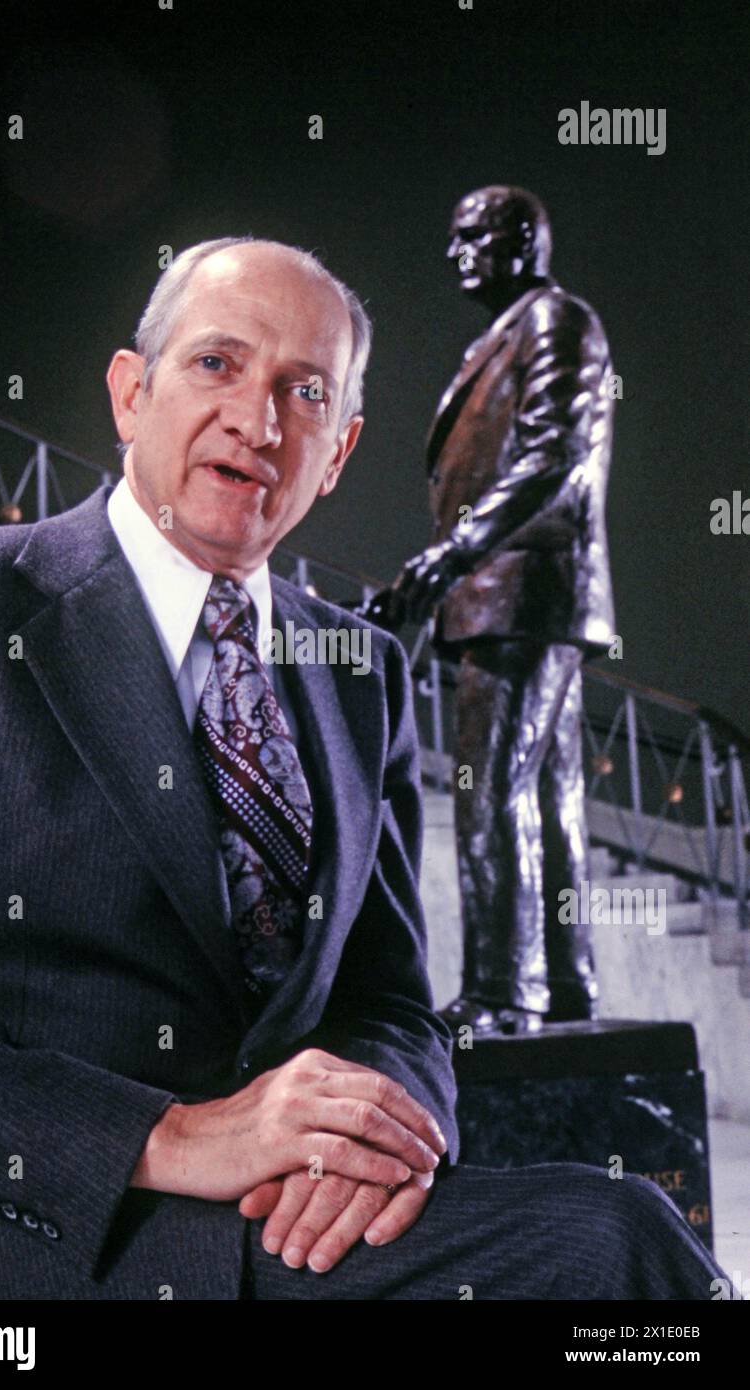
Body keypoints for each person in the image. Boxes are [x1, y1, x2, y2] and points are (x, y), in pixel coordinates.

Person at [0, 237, 731, 1299]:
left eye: (306, 390)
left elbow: (390, 1000)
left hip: (294, 1229)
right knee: (612, 1242)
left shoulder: (358, 668)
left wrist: (366, 1128)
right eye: (215, 365)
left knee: (619, 1236)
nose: (259, 418)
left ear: (336, 452)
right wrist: (175, 1134)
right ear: (129, 393)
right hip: (45, 1229)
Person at [384, 186, 613, 1035]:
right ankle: (564, 981)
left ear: (522, 240)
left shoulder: (553, 322)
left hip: (522, 594)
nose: (455, 254)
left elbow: (553, 454)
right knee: (548, 803)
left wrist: (452, 553)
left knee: (490, 797)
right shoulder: (512, 332)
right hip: (517, 594)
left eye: (470, 235)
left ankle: (501, 994)